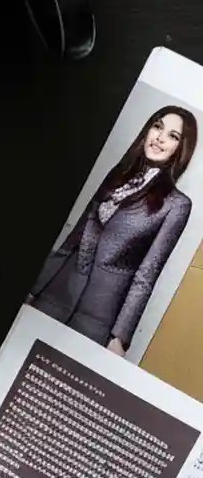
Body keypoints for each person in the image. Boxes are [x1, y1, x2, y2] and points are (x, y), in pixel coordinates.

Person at [29, 106, 197, 357]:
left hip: (98, 317)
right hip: (55, 293)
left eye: (173, 136)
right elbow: (74, 237)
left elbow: (147, 274)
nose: (160, 138)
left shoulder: (176, 205)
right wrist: (34, 288)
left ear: (180, 149)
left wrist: (120, 337)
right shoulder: (117, 175)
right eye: (158, 126)